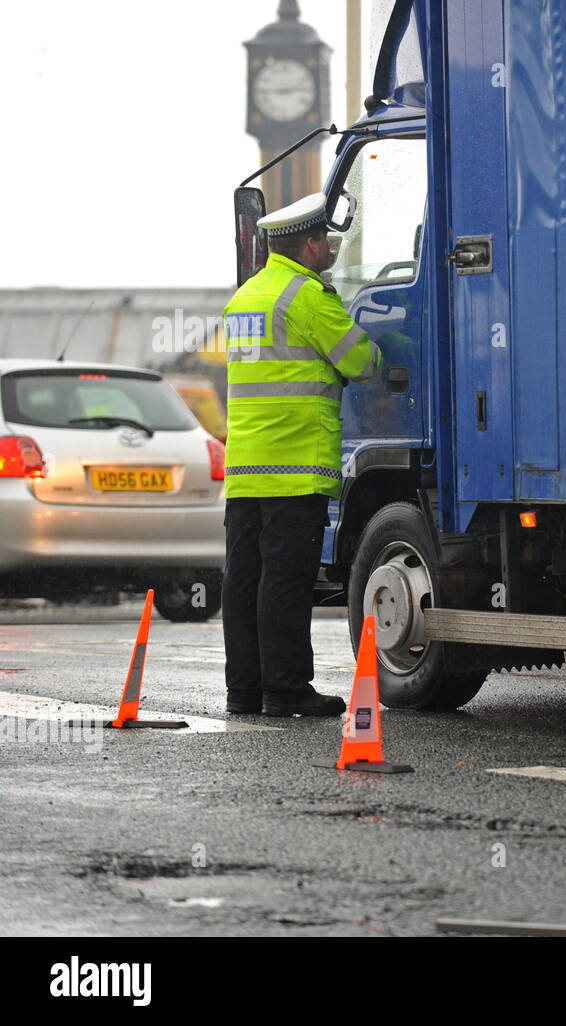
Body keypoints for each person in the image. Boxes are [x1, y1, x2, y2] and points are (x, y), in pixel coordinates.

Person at [221, 193, 381, 716]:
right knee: (286, 581)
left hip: (246, 467)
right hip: (294, 466)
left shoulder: (245, 296)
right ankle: (285, 689)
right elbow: (362, 360)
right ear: (309, 244)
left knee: (243, 580)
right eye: (326, 241)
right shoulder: (308, 297)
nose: (330, 249)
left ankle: (245, 689)